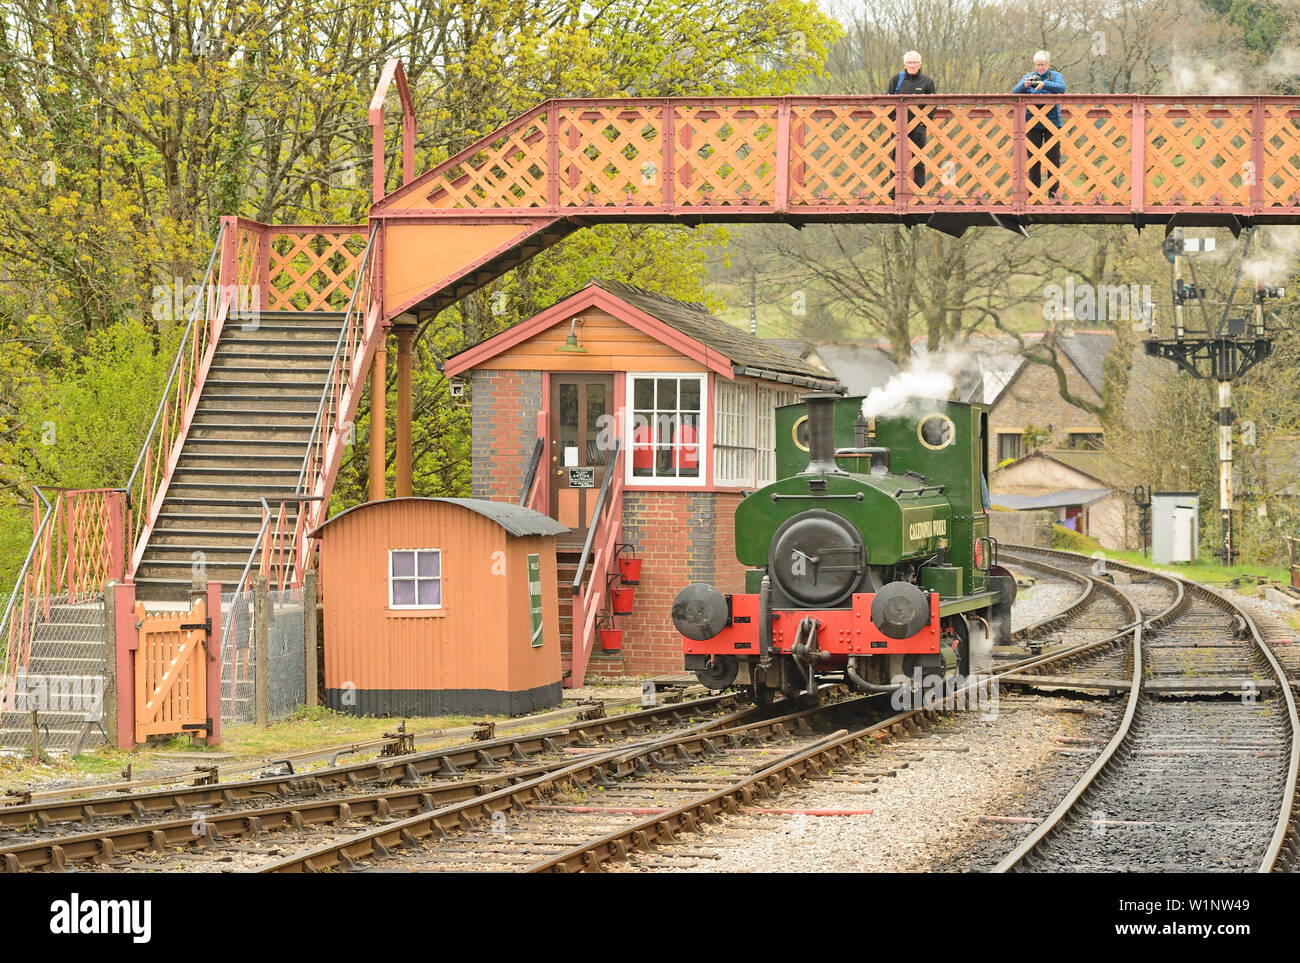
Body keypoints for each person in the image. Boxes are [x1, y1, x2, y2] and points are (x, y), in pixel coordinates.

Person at [1012, 51, 1066, 200]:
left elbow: (1062, 88)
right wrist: (1025, 85)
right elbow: (1014, 92)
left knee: (1053, 159)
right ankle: (1034, 194)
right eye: (1038, 65)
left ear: (1048, 64)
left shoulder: (1054, 76)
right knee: (1033, 159)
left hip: (1052, 123)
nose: (1040, 68)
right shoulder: (1028, 76)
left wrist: (1044, 84)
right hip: (1032, 123)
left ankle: (1053, 195)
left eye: (1042, 65)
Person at [887, 51, 936, 190]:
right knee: (895, 159)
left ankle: (920, 191)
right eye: (909, 62)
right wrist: (893, 120)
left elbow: (933, 104)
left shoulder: (927, 82)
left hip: (918, 127)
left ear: (920, 65)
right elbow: (887, 101)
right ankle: (893, 192)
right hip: (898, 127)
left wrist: (924, 121)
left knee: (919, 159)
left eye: (915, 62)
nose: (912, 65)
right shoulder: (897, 79)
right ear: (905, 64)